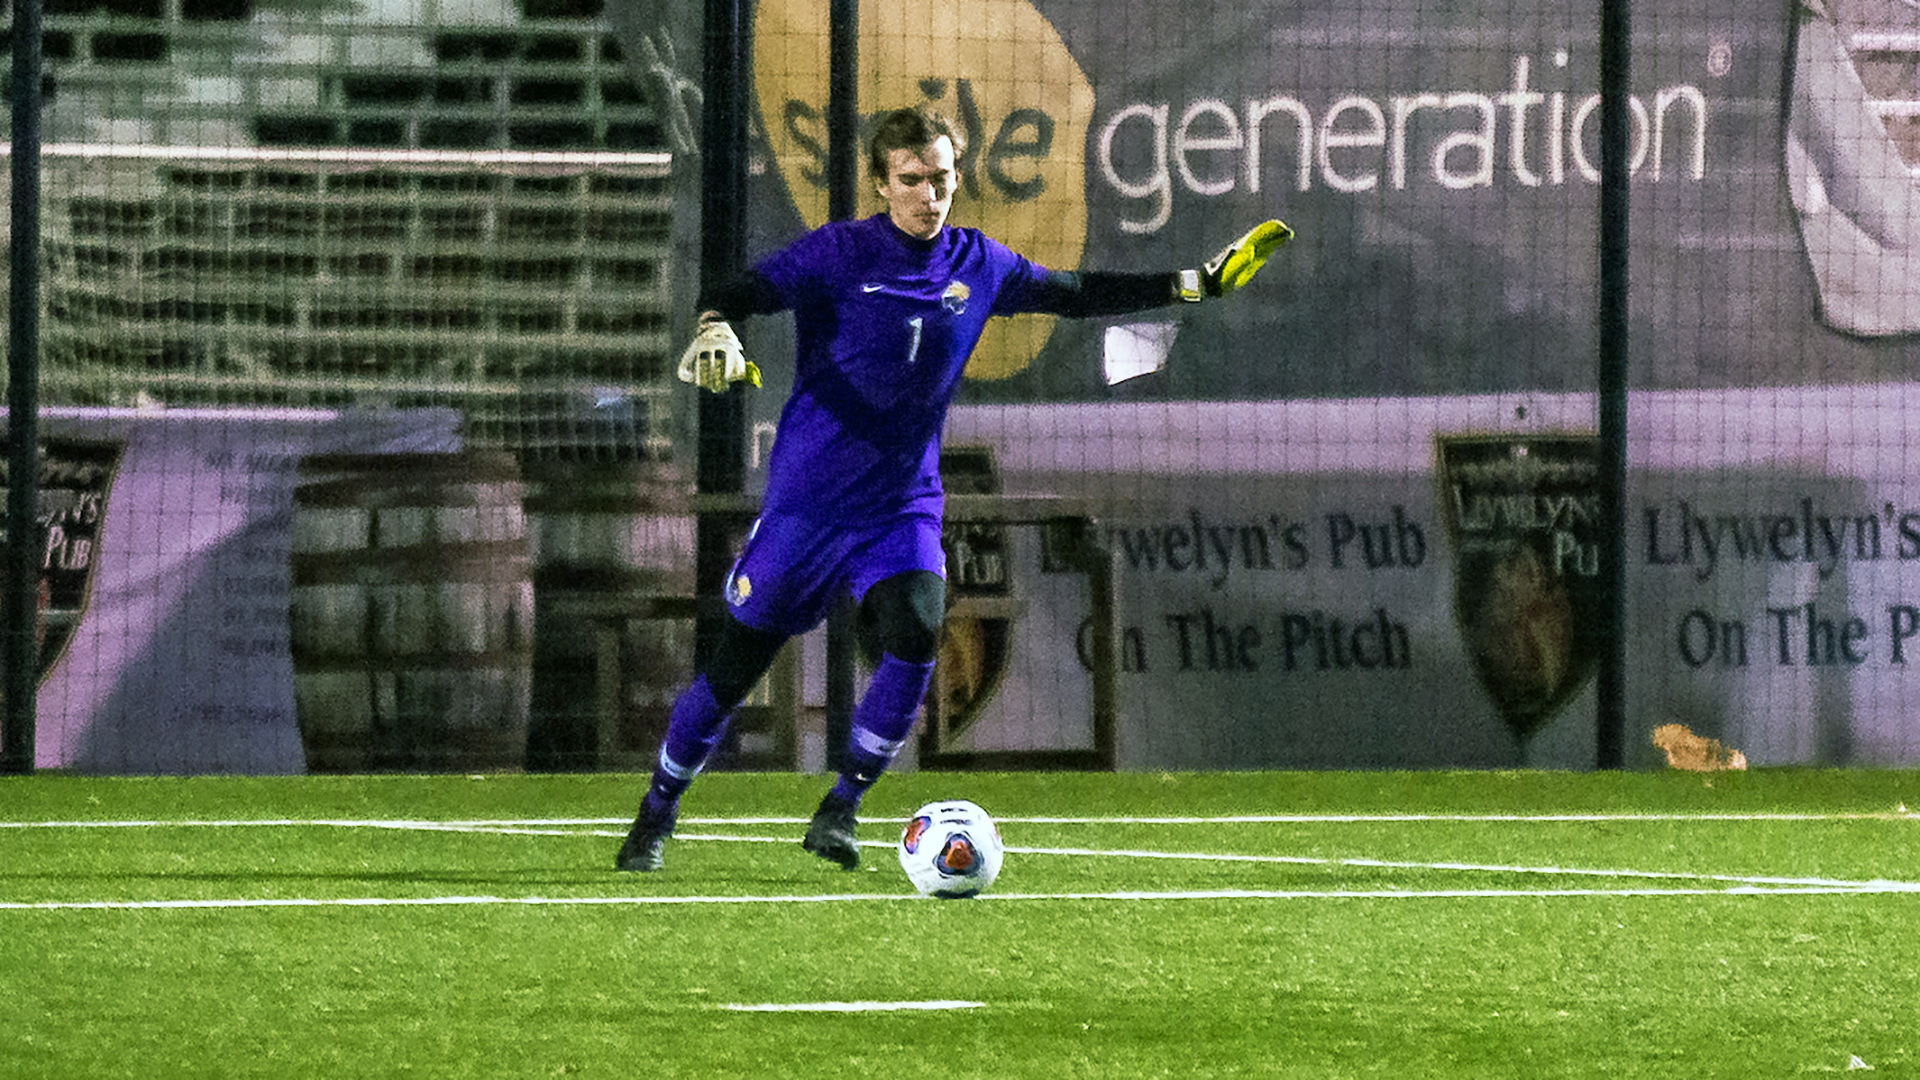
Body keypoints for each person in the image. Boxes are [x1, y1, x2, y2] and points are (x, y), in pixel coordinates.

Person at [615, 105, 1289, 872]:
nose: (929, 194)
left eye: (941, 178)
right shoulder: (839, 254)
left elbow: (1073, 292)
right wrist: (715, 327)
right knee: (735, 670)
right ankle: (656, 812)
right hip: (808, 504)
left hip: (901, 505)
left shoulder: (979, 263)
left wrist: (1194, 284)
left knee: (916, 629)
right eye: (911, 180)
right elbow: (737, 288)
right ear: (881, 184)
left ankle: (842, 807)